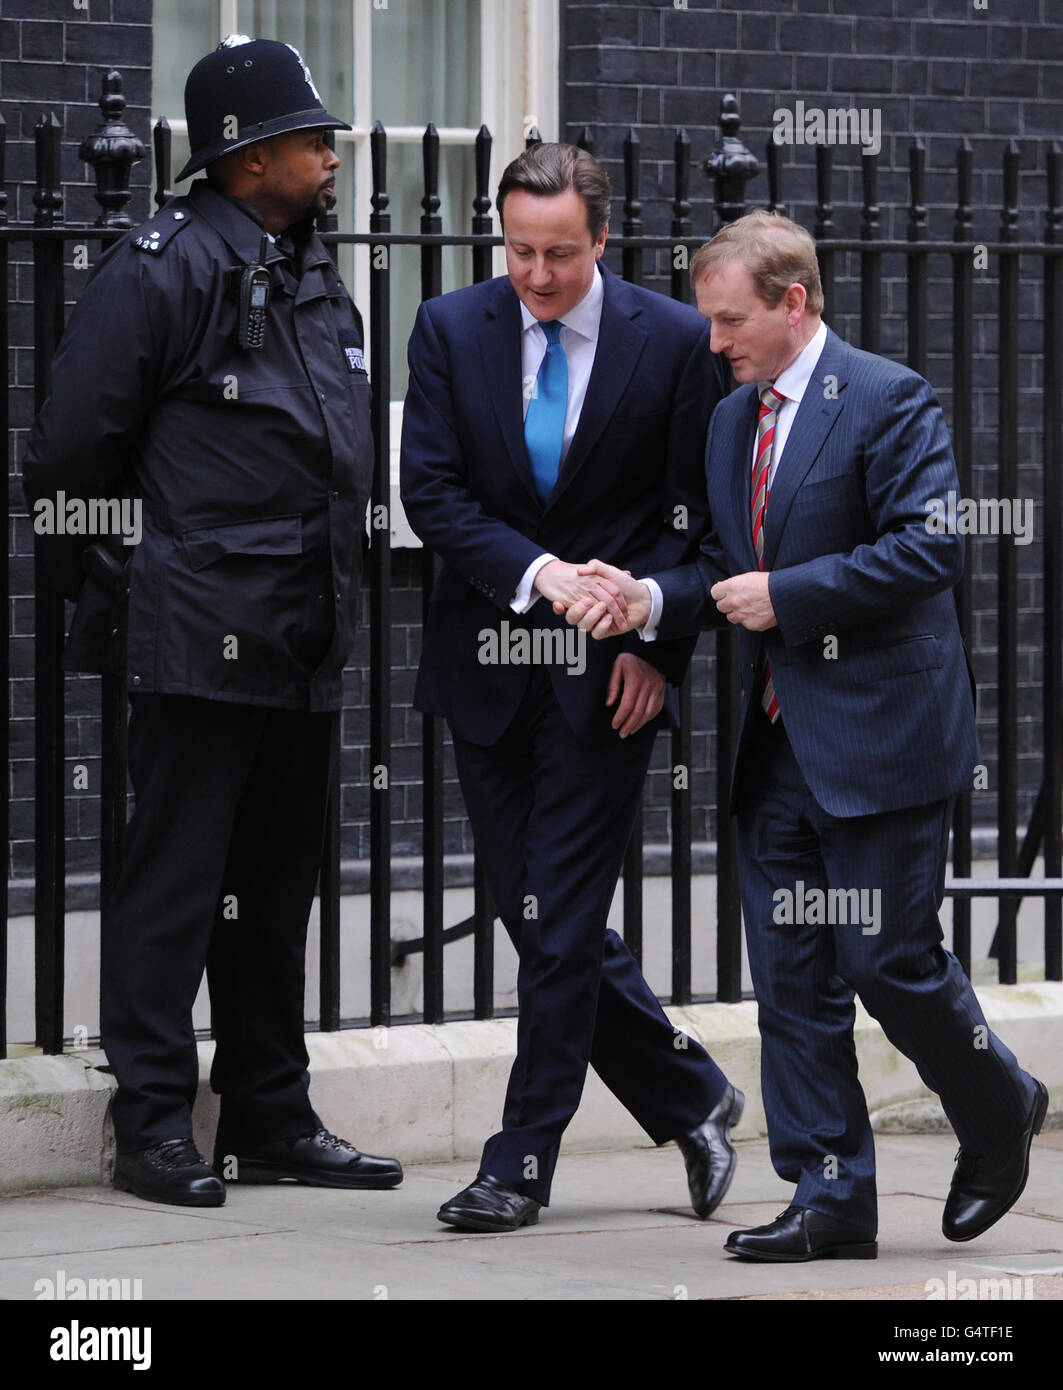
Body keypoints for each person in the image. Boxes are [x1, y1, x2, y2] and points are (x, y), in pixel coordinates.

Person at [563, 210, 1047, 1260]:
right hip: (778, 745)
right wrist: (645, 596)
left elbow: (927, 550)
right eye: (706, 319)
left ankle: (997, 1100)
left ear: (795, 303)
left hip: (882, 738)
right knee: (787, 973)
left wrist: (790, 594)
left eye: (730, 319)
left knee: (885, 959)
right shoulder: (731, 422)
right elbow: (722, 574)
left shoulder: (886, 398)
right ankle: (829, 1194)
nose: (712, 340)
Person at [23, 37, 402, 1207]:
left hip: (303, 631)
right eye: (309, 138)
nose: (330, 154)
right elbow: (70, 450)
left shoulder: (312, 269)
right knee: (176, 885)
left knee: (278, 885)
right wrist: (137, 581)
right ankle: (151, 1126)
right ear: (246, 159)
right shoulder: (163, 267)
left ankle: (270, 1113)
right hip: (196, 631)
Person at [400, 142, 743, 1234]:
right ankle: (690, 1092)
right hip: (489, 659)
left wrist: (656, 642)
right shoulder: (452, 327)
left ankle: (520, 1161)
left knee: (557, 917)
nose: (535, 275)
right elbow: (432, 494)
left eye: (557, 253)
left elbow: (699, 520)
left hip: (612, 679)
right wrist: (540, 574)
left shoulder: (678, 341)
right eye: (517, 249)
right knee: (532, 907)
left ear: (601, 239)